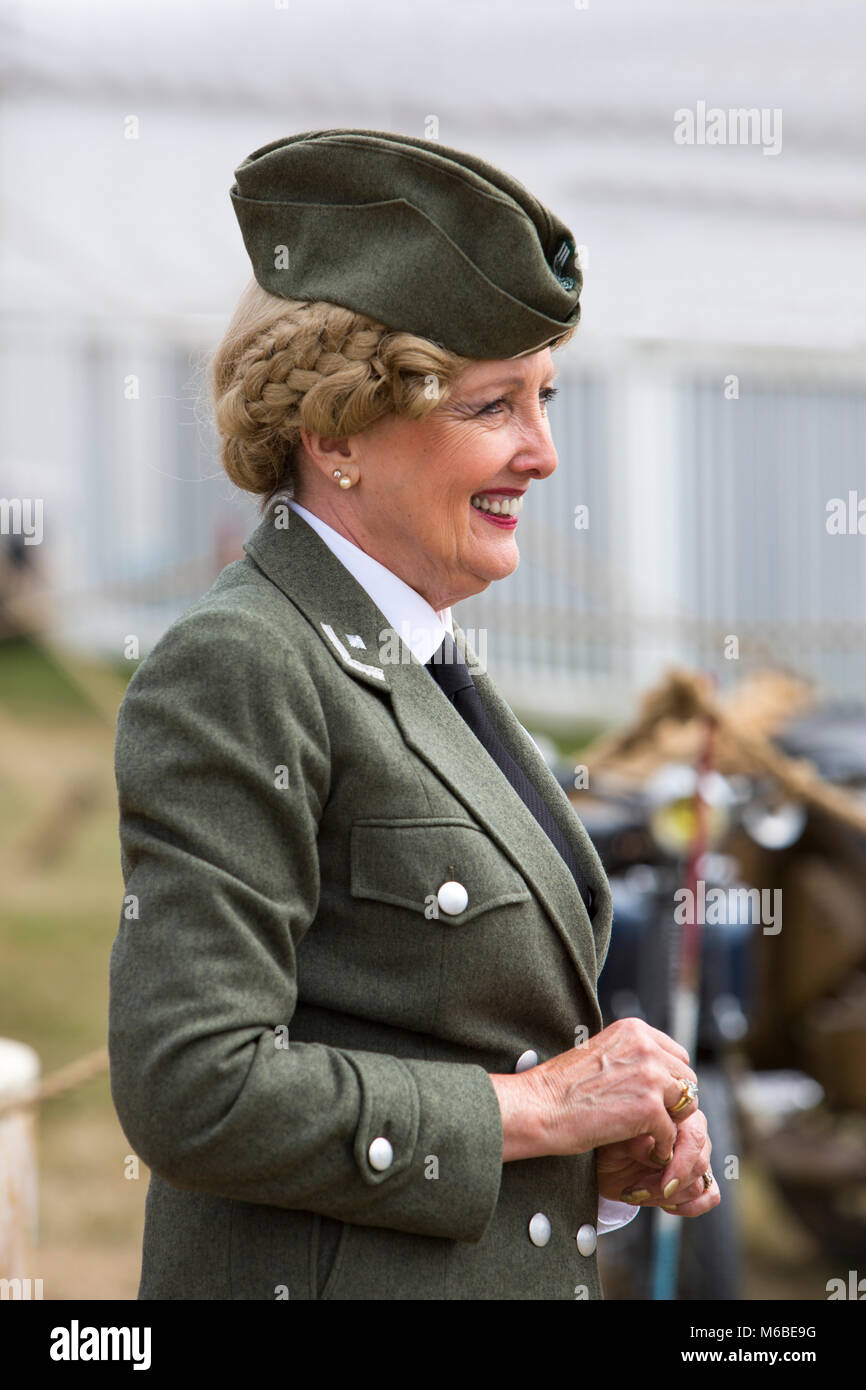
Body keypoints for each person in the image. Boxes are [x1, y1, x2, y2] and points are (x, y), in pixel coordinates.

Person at [108, 129, 718, 1301]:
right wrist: (542, 1105)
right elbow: (193, 1087)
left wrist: (587, 1148)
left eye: (545, 399)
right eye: (492, 405)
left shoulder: (420, 654)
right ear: (336, 435)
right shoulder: (241, 665)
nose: (540, 453)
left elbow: (439, 1047)